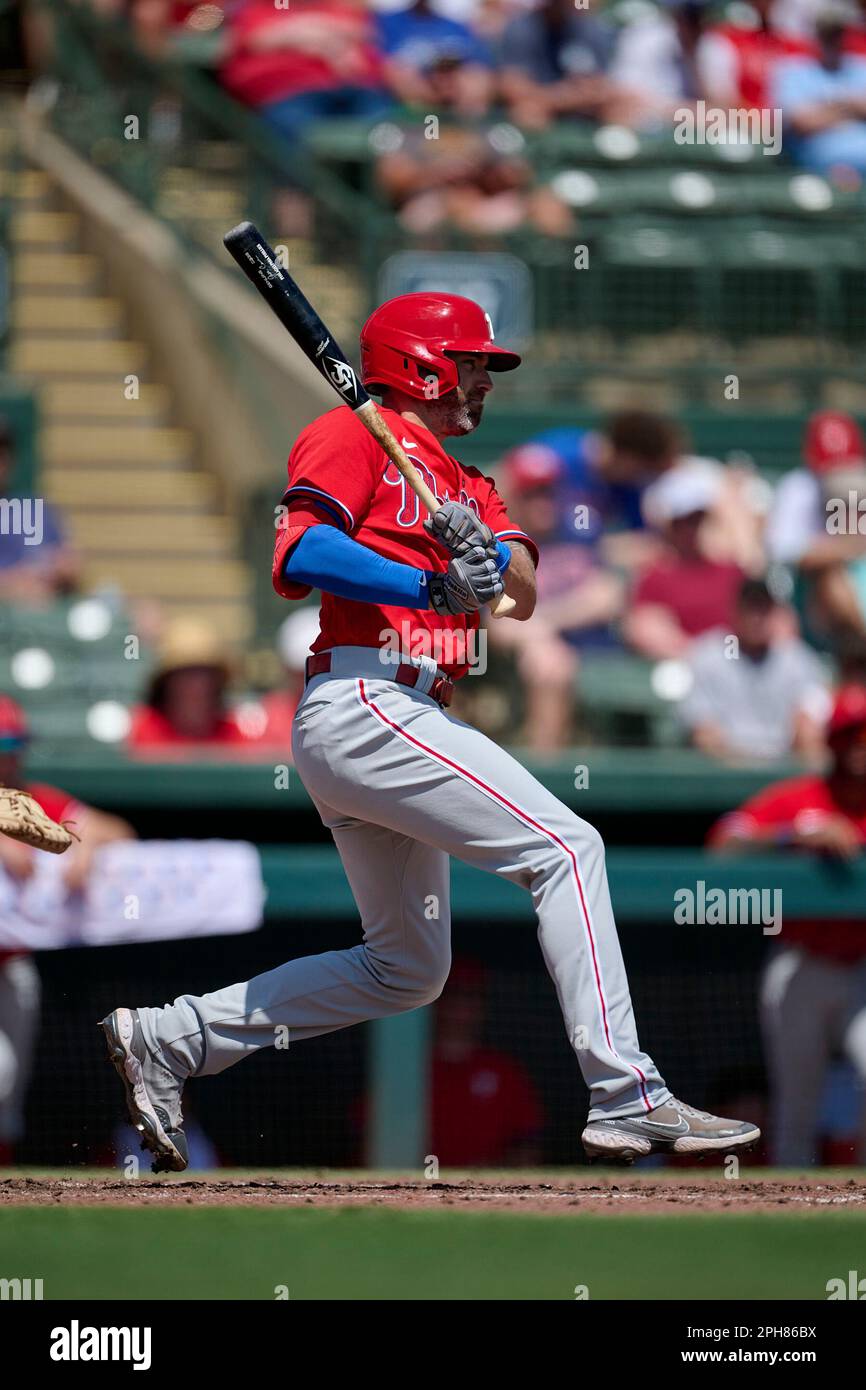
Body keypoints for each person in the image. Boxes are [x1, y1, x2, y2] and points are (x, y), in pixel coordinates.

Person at [99, 291, 759, 1172]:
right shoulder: (348, 435)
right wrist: (428, 584)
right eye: (472, 362)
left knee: (407, 968)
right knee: (567, 849)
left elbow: (520, 590)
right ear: (421, 364)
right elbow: (298, 553)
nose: (483, 379)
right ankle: (625, 1094)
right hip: (365, 697)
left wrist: (483, 554)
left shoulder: (463, 479)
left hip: (404, 714)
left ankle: (170, 1040)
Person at [708, 684, 866, 1165]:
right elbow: (724, 841)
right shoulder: (803, 797)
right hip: (801, 965)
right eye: (851, 736)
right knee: (796, 1108)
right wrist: (794, 835)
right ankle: (786, 1212)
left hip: (861, 968)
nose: (860, 748)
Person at [0, 695, 133, 1163]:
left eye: (16, 743)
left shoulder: (33, 799)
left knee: (6, 1089)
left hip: (10, 966)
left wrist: (86, 846)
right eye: (1, 743)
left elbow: (115, 829)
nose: (9, 754)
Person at [487, 441, 624, 751]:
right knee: (550, 663)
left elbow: (608, 596)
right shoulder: (500, 544)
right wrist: (542, 633)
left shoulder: (579, 531)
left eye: (548, 491)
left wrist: (545, 621)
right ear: (514, 498)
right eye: (532, 493)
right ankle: (545, 773)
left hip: (595, 647)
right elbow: (498, 624)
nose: (542, 502)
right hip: (527, 653)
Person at [679, 576, 830, 761]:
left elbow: (810, 722)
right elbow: (704, 730)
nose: (757, 618)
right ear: (736, 611)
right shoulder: (715, 653)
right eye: (751, 608)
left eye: (764, 609)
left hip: (784, 766)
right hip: (726, 768)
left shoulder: (794, 657)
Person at [219, 0, 391, 146]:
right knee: (293, 127)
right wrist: (330, 43)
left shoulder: (338, 5)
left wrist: (305, 33)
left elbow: (362, 31)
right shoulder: (264, 5)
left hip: (353, 89)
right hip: (289, 94)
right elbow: (260, 38)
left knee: (386, 126)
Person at [624, 460, 745, 660]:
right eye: (684, 521)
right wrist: (703, 659)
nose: (692, 528)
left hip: (737, 667)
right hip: (684, 672)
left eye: (697, 518)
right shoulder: (654, 576)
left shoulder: (731, 570)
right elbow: (646, 628)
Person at [128, 615, 254, 756]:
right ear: (167, 683)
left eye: (204, 674)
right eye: (186, 674)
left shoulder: (233, 734)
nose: (197, 685)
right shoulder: (147, 729)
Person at [772, 1, 866, 176]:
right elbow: (803, 122)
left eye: (839, 33)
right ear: (816, 34)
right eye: (828, 33)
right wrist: (852, 107)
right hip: (820, 166)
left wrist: (827, 109)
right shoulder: (793, 71)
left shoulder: (861, 67)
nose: (835, 40)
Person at [0, 416, 79, 605]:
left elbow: (71, 563)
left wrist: (63, 568)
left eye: (2, 452)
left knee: (146, 617)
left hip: (43, 616)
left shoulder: (35, 507)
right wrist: (12, 583)